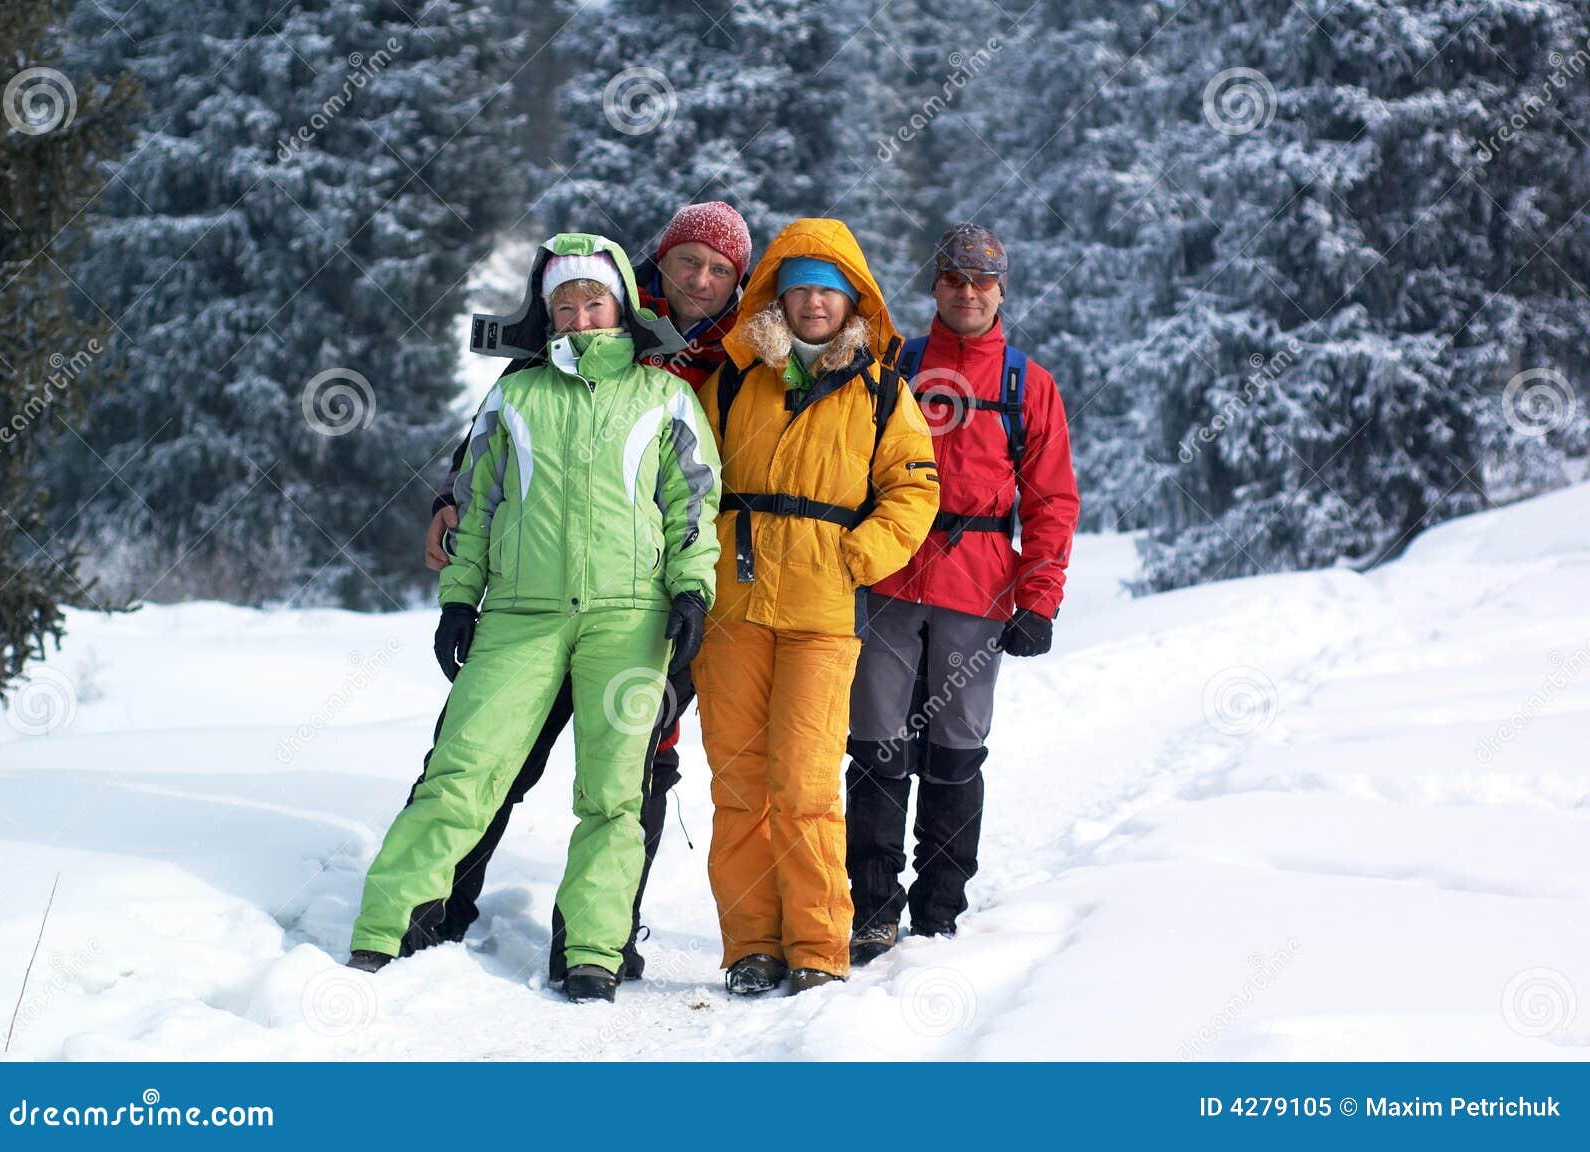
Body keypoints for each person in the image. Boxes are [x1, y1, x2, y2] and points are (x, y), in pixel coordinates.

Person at [349, 233, 721, 1004]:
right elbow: (476, 503)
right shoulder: (516, 395)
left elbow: (692, 510)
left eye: (594, 302)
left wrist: (692, 594)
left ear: (622, 306)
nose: (581, 317)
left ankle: (591, 952)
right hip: (520, 614)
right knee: (462, 769)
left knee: (614, 793)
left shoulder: (664, 398)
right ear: (547, 315)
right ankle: (387, 926)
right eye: (565, 305)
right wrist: (459, 598)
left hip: (629, 618)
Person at [692, 218, 939, 996]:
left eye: (829, 291)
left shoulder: (883, 390)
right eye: (800, 289)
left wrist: (854, 558)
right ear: (779, 296)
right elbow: (684, 476)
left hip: (822, 615)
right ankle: (751, 946)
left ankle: (817, 947)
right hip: (732, 607)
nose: (814, 303)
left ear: (852, 300)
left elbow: (915, 487)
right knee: (738, 787)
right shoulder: (734, 380)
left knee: (803, 788)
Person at [844, 223, 1080, 964]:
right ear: (936, 286)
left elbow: (1052, 501)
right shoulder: (895, 363)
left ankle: (939, 910)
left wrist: (1039, 598)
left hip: (979, 588)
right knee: (876, 746)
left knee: (956, 750)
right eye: (954, 278)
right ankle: (872, 906)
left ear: (1002, 290)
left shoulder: (1026, 384)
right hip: (887, 577)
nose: (968, 291)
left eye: (982, 280)